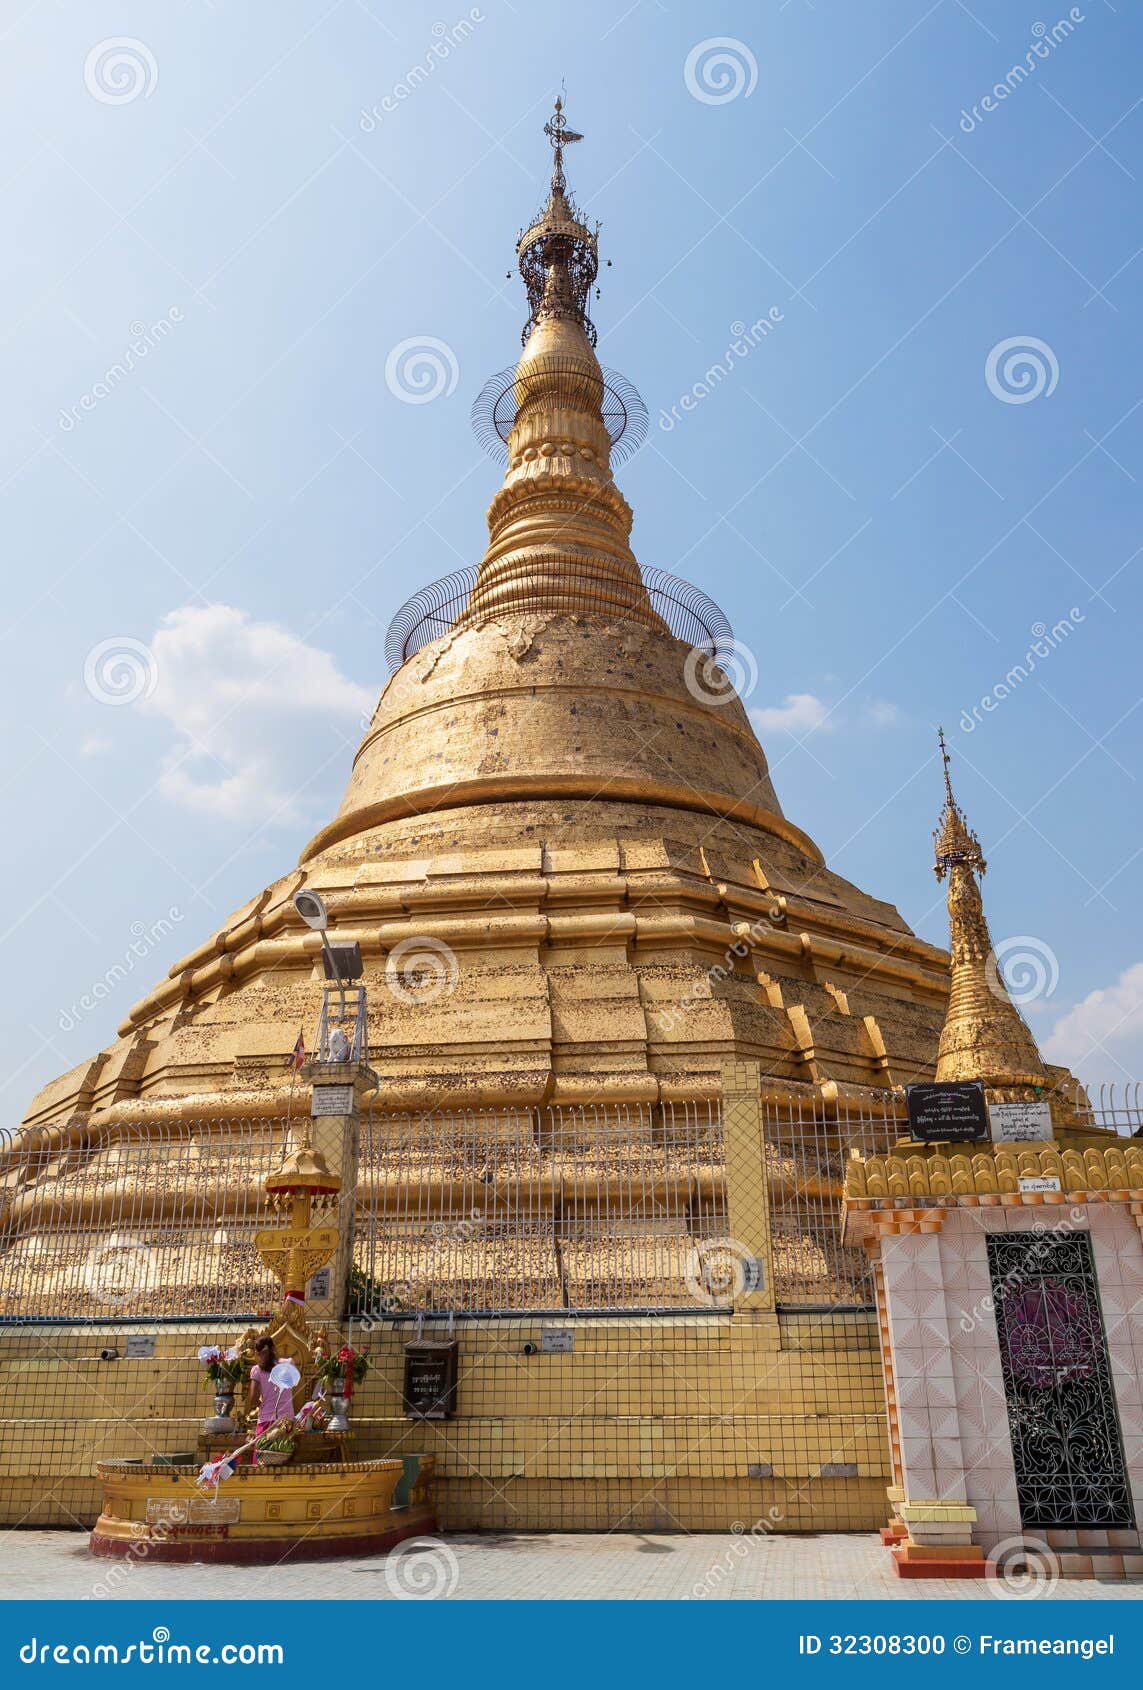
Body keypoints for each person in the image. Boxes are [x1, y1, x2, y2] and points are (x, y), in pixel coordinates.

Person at [247, 1336, 297, 1440]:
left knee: (263, 1454)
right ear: (274, 1348)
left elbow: (253, 1400)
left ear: (257, 1353)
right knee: (283, 1454)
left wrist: (262, 1405)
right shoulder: (289, 1363)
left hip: (265, 1420)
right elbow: (295, 1381)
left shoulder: (257, 1370)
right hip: (286, 1421)